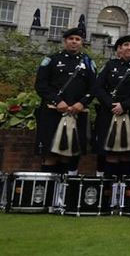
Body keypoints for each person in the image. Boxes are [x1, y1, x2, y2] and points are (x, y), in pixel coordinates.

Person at [93, 35, 130, 204]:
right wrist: (112, 104)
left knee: (128, 155)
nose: (129, 47)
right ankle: (111, 197)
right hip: (110, 114)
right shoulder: (110, 66)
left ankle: (126, 196)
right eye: (125, 44)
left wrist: (125, 105)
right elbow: (98, 87)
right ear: (119, 49)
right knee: (111, 154)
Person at [34, 27, 96, 175]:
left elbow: (94, 88)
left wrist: (82, 103)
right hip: (52, 113)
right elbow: (40, 85)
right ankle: (47, 194)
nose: (74, 42)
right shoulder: (52, 60)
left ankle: (65, 194)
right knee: (49, 155)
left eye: (78, 39)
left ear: (82, 43)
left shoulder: (88, 63)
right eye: (71, 39)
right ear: (65, 41)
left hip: (76, 113)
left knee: (69, 155)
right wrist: (57, 101)